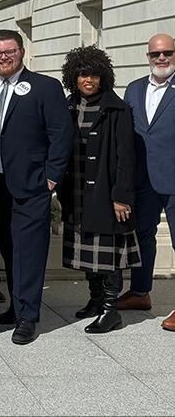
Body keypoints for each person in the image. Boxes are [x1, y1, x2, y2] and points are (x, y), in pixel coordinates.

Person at [0, 29, 73, 344]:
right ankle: (17, 306)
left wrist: (52, 176)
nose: (3, 57)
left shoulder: (45, 87)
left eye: (9, 51)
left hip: (31, 185)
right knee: (9, 250)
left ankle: (28, 317)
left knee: (29, 252)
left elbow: (61, 134)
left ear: (21, 52)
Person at [57, 46, 140, 334]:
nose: (88, 80)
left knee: (107, 254)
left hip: (105, 192)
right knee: (87, 252)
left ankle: (110, 310)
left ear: (103, 77)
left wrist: (121, 196)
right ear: (74, 77)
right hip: (76, 190)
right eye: (82, 75)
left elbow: (126, 156)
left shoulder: (117, 108)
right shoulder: (68, 105)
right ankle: (94, 300)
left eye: (93, 75)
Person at [118, 33, 175, 332]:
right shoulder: (135, 88)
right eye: (156, 54)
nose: (162, 58)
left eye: (167, 53)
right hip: (143, 178)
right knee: (142, 236)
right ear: (148, 57)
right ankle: (140, 292)